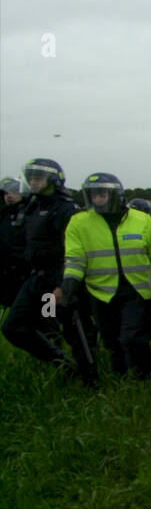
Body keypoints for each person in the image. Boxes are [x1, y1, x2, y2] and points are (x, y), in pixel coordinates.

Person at [1, 158, 97, 383]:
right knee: (14, 327)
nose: (34, 182)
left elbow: (72, 250)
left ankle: (89, 378)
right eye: (31, 178)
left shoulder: (65, 209)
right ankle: (62, 363)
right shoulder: (33, 206)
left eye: (39, 177)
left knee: (71, 328)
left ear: (54, 179)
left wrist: (63, 285)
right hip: (36, 280)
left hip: (58, 278)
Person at [60, 172, 151, 379]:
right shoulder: (79, 222)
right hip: (101, 291)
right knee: (111, 340)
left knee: (133, 338)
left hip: (138, 290)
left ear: (116, 195)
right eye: (93, 195)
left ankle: (146, 377)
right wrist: (69, 283)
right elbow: (75, 258)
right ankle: (121, 378)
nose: (97, 199)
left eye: (102, 194)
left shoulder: (142, 220)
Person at [1, 177, 31, 308]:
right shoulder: (4, 215)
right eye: (6, 193)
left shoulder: (31, 214)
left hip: (25, 271)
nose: (9, 196)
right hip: (7, 270)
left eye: (13, 192)